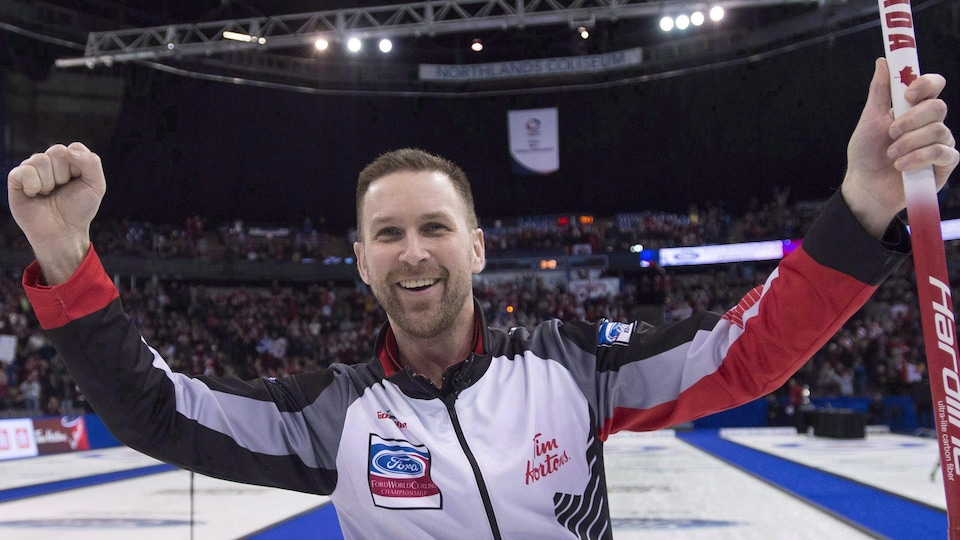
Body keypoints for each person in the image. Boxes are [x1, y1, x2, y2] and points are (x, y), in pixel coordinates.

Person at [6, 58, 958, 539]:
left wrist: (863, 203)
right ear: (360, 262)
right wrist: (65, 257)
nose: (412, 252)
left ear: (477, 246)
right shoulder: (330, 413)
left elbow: (743, 356)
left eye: (432, 228)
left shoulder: (573, 363)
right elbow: (160, 414)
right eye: (387, 234)